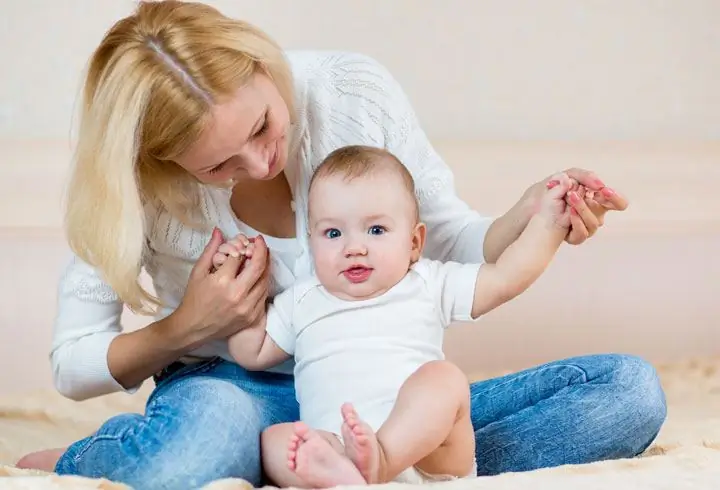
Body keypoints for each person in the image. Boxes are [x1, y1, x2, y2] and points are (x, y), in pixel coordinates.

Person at [16, 1, 666, 489]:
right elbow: (74, 363)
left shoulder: (347, 93)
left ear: (261, 66)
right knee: (198, 451)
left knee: (628, 391)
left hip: (385, 401)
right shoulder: (128, 178)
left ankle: (355, 463)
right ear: (164, 162)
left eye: (263, 126)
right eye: (220, 166)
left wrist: (538, 214)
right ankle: (193, 454)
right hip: (235, 390)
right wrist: (187, 325)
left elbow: (458, 245)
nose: (261, 163)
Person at [218, 145, 577, 488]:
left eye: (376, 230)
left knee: (444, 381)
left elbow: (505, 278)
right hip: (338, 448)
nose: (354, 247)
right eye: (332, 233)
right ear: (311, 243)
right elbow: (251, 351)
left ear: (414, 243)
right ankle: (340, 476)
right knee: (274, 440)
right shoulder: (303, 299)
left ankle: (382, 459)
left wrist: (550, 223)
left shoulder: (426, 282)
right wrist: (240, 278)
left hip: (431, 458)